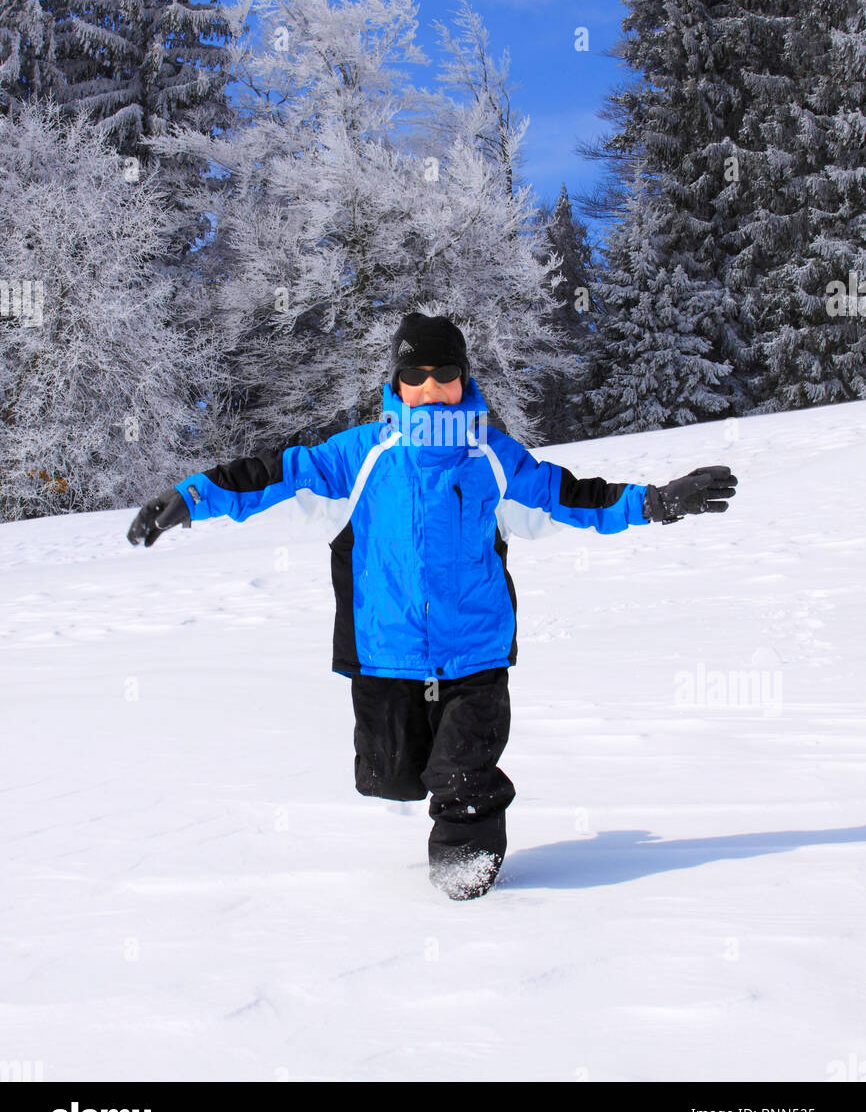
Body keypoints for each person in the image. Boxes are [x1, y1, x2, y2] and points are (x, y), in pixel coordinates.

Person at [127, 312, 738, 900]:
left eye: (444, 374)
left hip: (475, 654)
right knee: (390, 776)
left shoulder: (493, 458)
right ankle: (427, 798)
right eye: (415, 376)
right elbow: (270, 474)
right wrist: (192, 497)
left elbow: (567, 496)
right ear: (395, 384)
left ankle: (465, 874)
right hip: (386, 654)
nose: (430, 389)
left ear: (463, 380)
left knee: (463, 775)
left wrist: (655, 501)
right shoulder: (358, 457)